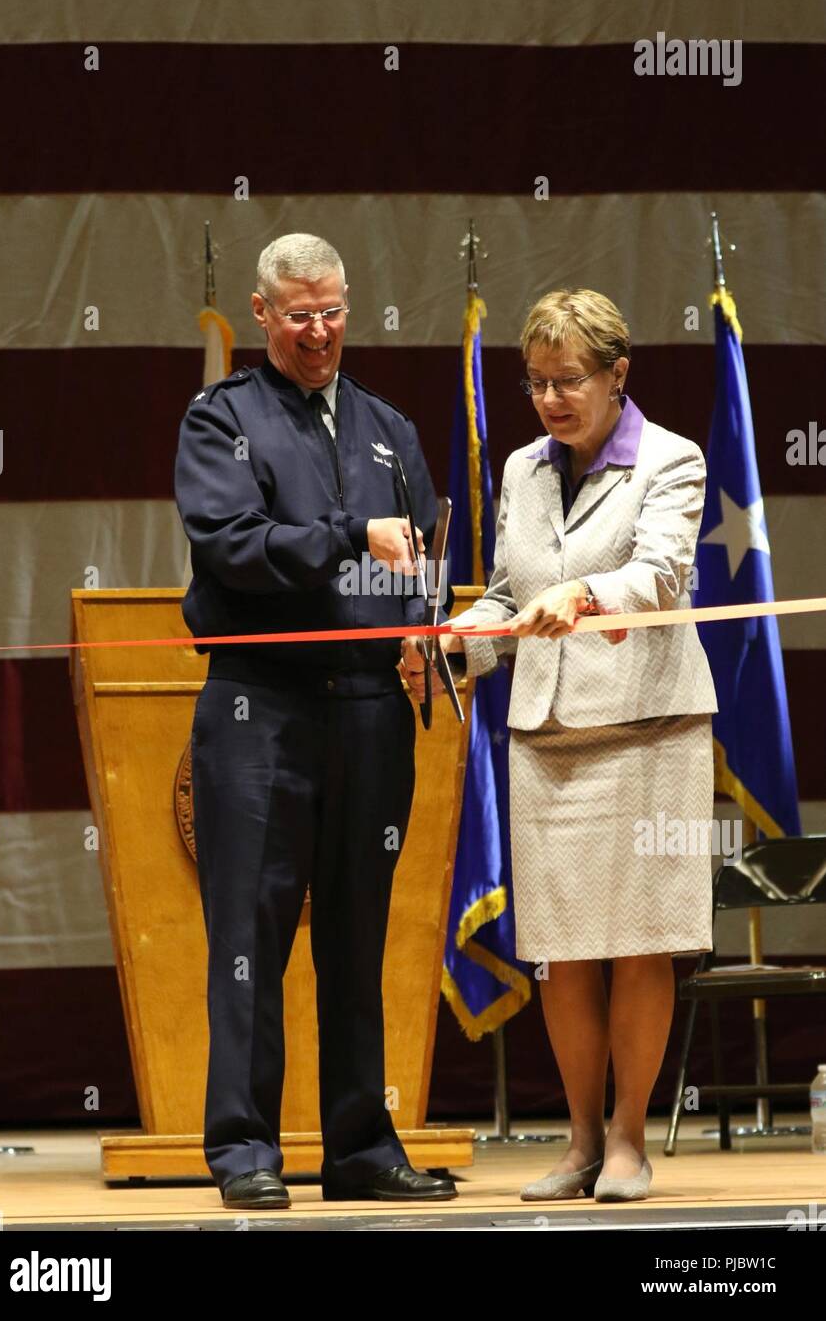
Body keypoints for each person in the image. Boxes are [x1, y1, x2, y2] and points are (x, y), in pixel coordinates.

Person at [412, 288, 718, 1204]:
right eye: (537, 381)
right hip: (547, 733)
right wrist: (450, 646)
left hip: (647, 726)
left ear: (618, 376)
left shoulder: (673, 459)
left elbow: (661, 571)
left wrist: (585, 598)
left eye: (569, 380)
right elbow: (510, 594)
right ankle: (581, 1140)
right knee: (564, 947)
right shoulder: (521, 469)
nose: (550, 398)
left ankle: (629, 1140)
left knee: (640, 942)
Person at [175, 233, 453, 1209]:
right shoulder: (220, 422)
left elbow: (419, 560)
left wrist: (425, 625)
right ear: (261, 314)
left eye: (332, 311)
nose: (319, 332)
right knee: (249, 933)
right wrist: (347, 536)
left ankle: (359, 1145)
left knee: (355, 934)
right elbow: (232, 547)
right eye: (299, 315)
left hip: (371, 711)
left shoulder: (388, 427)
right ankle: (245, 1148)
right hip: (261, 710)